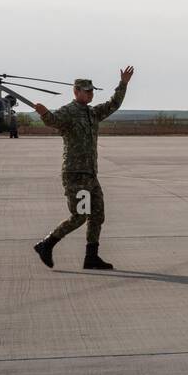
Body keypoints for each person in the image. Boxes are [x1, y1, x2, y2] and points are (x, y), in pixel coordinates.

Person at [31, 67, 134, 270]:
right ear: (75, 91)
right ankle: (46, 244)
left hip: (90, 174)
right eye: (86, 91)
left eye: (92, 91)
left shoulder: (92, 113)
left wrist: (123, 84)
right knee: (80, 216)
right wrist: (43, 113)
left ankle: (91, 257)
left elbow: (114, 104)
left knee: (97, 214)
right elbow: (54, 121)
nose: (90, 94)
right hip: (75, 174)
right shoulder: (68, 112)